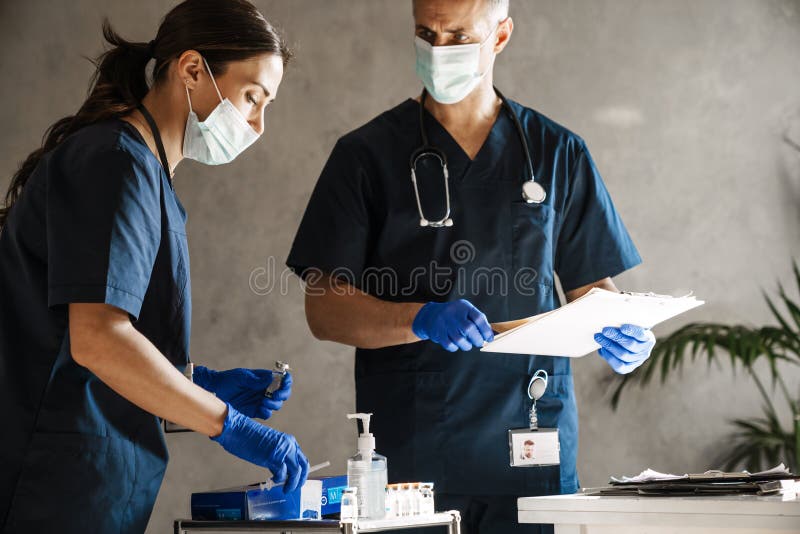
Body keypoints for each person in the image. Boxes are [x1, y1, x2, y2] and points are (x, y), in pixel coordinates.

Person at [287, 0, 655, 532]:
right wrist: (418, 318)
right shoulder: (365, 156)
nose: (439, 51)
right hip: (415, 457)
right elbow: (324, 309)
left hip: (532, 444)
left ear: (500, 36)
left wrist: (623, 330)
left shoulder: (557, 153)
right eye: (425, 34)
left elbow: (593, 288)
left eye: (459, 37)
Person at [0, 1, 308, 532]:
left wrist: (199, 383)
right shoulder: (114, 163)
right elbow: (99, 340)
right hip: (51, 487)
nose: (258, 125)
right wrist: (226, 422)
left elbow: (99, 339)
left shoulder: (143, 173)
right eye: (252, 97)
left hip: (89, 485)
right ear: (192, 70)